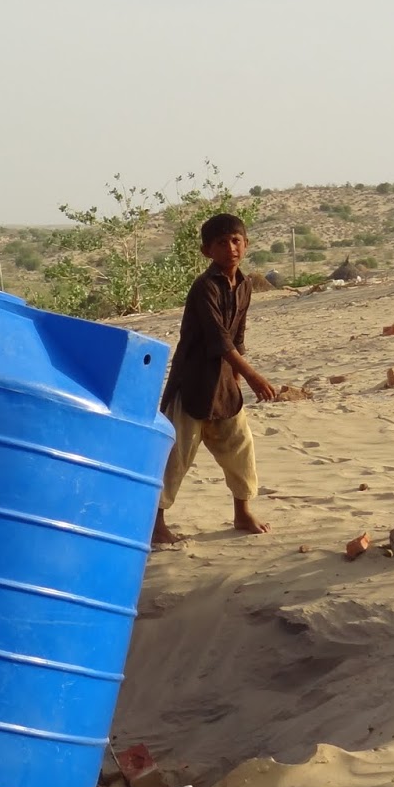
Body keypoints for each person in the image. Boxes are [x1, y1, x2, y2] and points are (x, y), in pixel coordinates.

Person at [151, 212, 276, 546]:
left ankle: (242, 511)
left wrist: (235, 378)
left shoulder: (244, 285)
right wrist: (253, 377)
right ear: (208, 251)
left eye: (236, 241)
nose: (230, 248)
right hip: (192, 383)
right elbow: (217, 339)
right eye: (222, 243)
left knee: (239, 448)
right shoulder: (205, 286)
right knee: (176, 456)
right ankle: (156, 523)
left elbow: (237, 338)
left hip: (224, 385)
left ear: (246, 245)